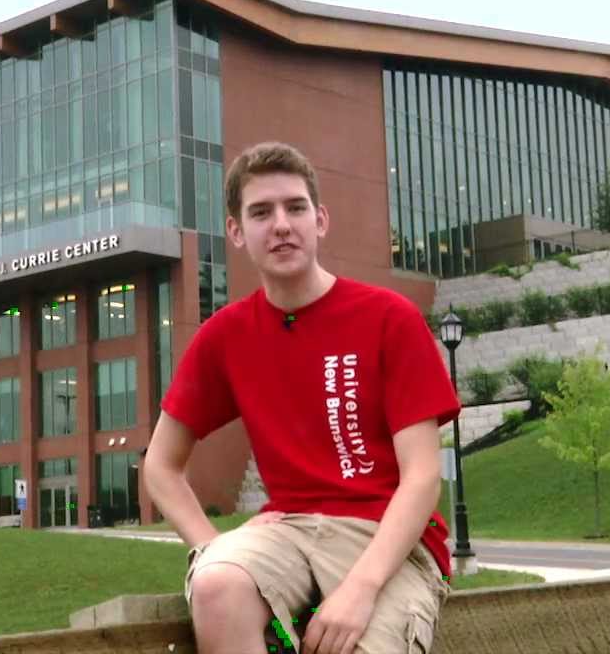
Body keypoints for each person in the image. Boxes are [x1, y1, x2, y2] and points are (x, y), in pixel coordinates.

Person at [143, 142, 460, 654]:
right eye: (261, 213)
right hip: (286, 531)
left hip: (388, 540)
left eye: (295, 207)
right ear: (237, 232)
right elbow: (161, 464)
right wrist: (212, 545)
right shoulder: (225, 336)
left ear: (320, 220)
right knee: (217, 585)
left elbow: (422, 476)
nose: (282, 225)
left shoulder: (388, 318)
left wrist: (359, 589)